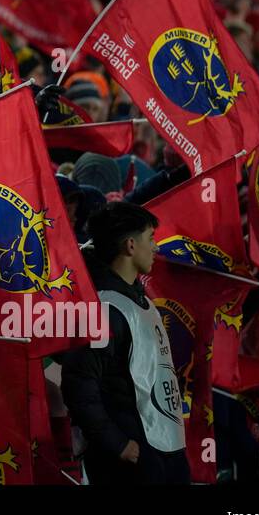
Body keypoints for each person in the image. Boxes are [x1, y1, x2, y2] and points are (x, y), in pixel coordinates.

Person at [61, 202, 189, 485]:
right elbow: (78, 383)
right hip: (131, 460)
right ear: (131, 245)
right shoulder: (104, 308)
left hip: (161, 447)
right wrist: (117, 444)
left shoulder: (139, 300)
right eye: (151, 238)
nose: (156, 247)